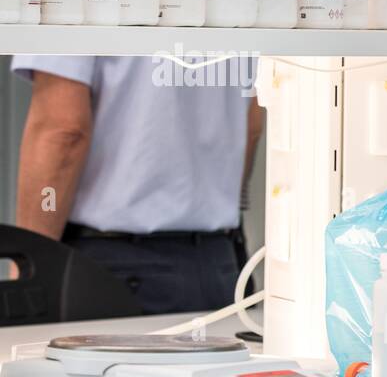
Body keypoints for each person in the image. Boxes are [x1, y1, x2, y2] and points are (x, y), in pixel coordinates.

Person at [11, 54, 263, 315]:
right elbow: (252, 124)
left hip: (116, 270)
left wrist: (30, 259)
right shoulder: (243, 14)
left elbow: (63, 133)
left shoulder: (68, 11)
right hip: (217, 267)